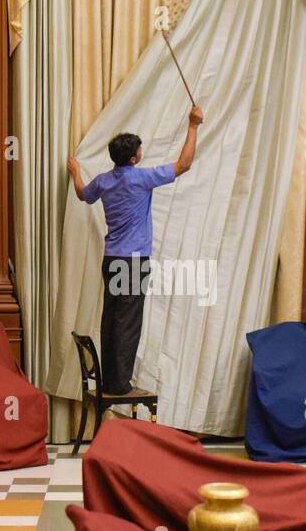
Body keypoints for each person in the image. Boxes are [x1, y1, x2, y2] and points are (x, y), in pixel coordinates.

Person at [67, 105, 204, 394]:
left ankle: (110, 379)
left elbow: (82, 194)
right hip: (131, 263)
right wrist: (193, 126)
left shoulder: (104, 181)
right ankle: (119, 384)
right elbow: (184, 164)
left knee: (112, 318)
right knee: (128, 322)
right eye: (139, 151)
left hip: (112, 259)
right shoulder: (141, 179)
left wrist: (76, 172)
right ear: (133, 158)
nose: (141, 154)